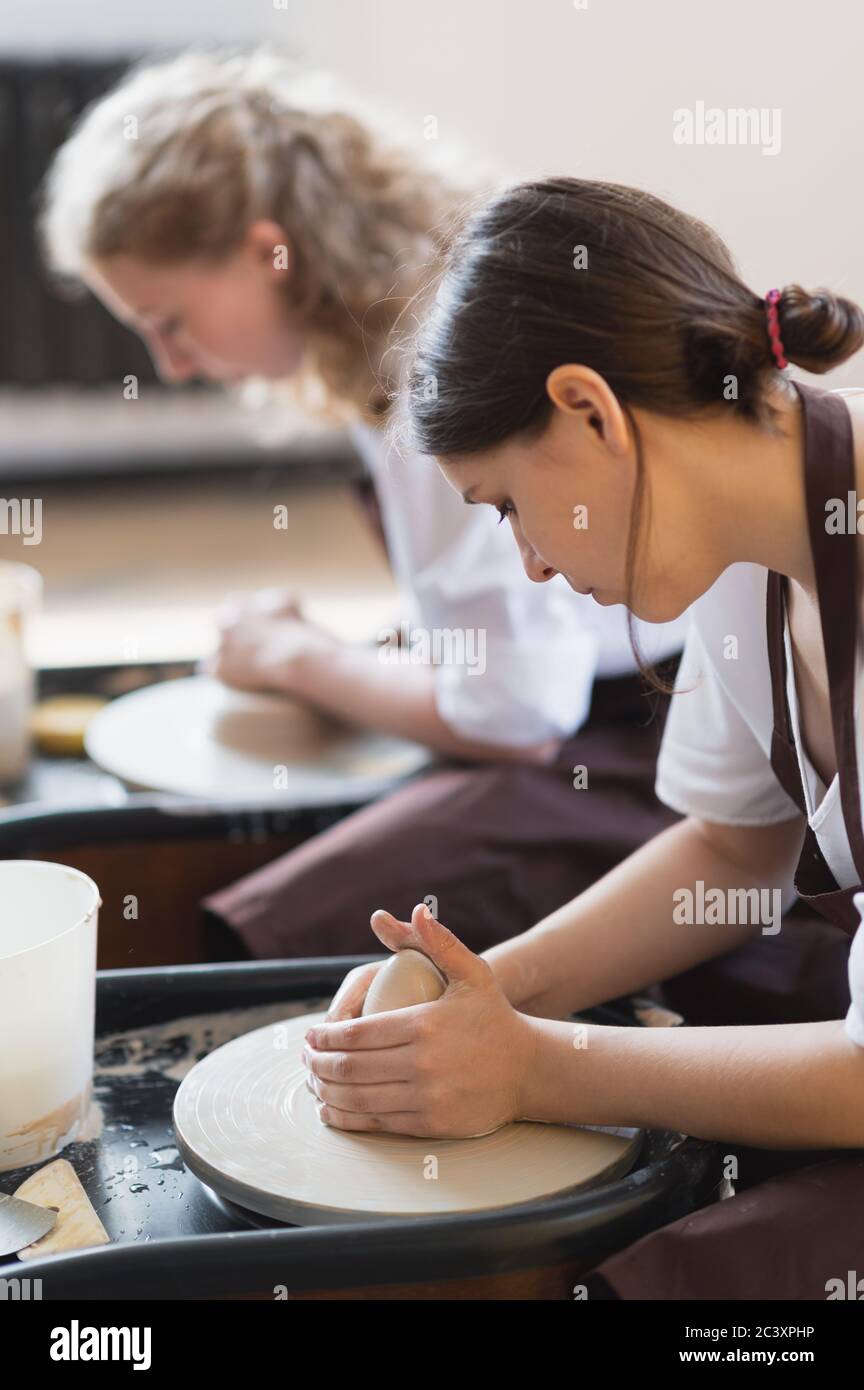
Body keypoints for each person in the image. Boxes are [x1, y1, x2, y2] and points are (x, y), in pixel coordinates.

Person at [305, 177, 864, 1300]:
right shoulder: (738, 537)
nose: (533, 566)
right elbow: (731, 849)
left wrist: (534, 1069)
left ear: (590, 410)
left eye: (507, 503)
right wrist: (486, 994)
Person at [41, 57, 685, 958]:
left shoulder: (434, 371)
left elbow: (513, 717)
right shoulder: (385, 330)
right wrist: (364, 650)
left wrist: (301, 661)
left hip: (642, 750)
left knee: (254, 924)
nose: (172, 364)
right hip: (591, 711)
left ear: (270, 249)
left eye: (172, 321)